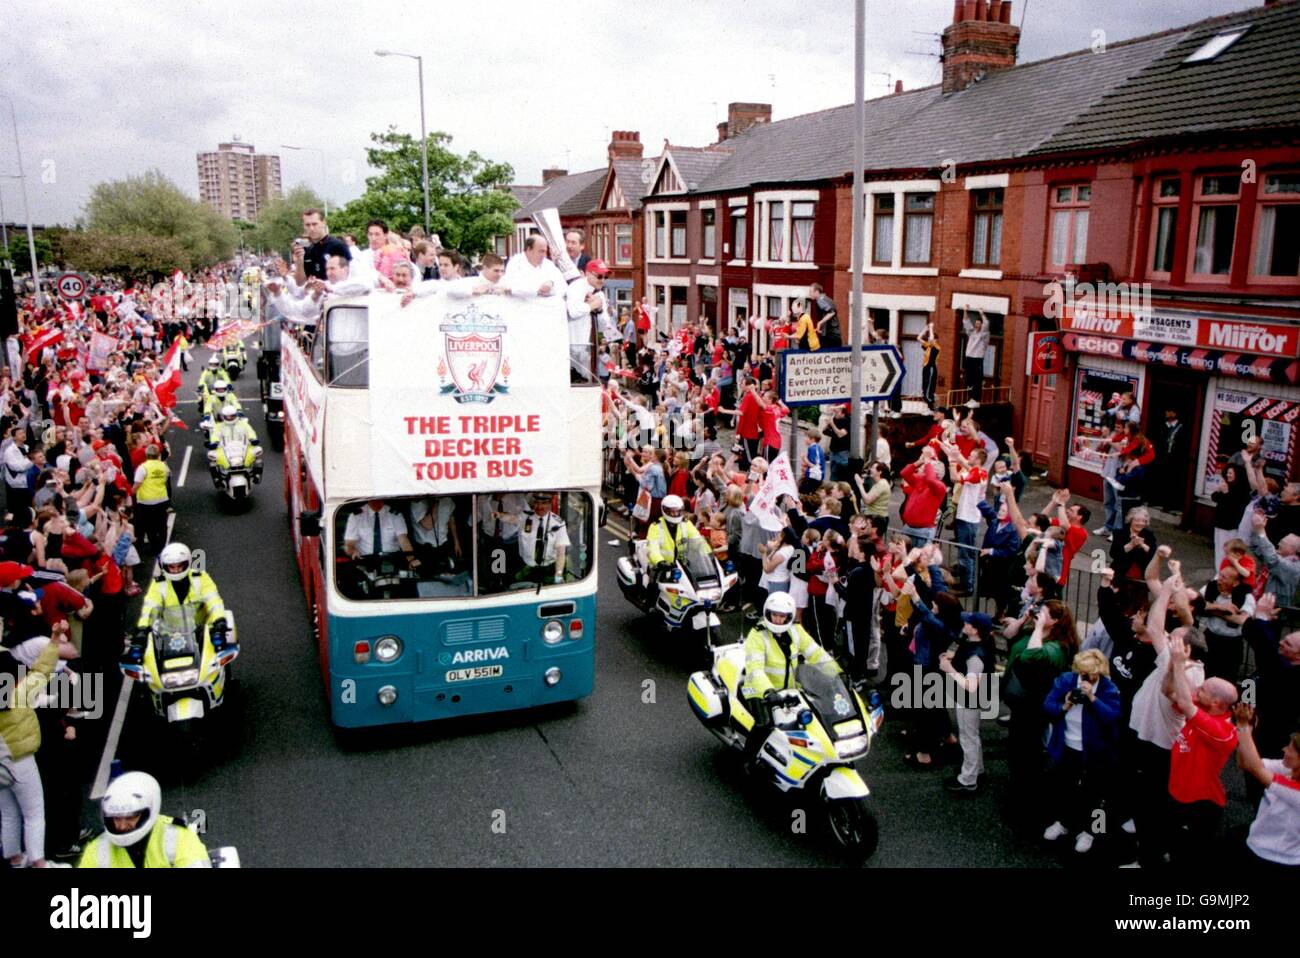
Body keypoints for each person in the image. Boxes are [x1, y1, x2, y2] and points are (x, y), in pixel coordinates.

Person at [739, 592, 840, 772]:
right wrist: (768, 691)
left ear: (789, 616)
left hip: (790, 688)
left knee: (814, 718)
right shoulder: (757, 634)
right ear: (767, 614)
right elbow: (755, 670)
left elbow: (816, 653)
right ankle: (748, 760)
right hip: (760, 690)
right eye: (774, 615)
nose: (778, 620)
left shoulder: (796, 630)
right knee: (764, 724)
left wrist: (837, 674)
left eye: (782, 616)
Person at [1165, 632, 1240, 864]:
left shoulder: (1220, 729)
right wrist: (1171, 666)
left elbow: (1186, 703)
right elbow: (1168, 692)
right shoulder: (1204, 708)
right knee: (1174, 844)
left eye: (1204, 690)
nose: (1198, 690)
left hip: (1200, 802)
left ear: (1217, 702)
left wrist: (1180, 663)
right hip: (1178, 791)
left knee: (1191, 856)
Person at [1041, 649, 1123, 853]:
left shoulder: (1108, 688)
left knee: (1096, 792)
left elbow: (1112, 716)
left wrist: (1093, 699)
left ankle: (1094, 831)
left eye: (1091, 674)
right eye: (1082, 673)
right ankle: (1063, 822)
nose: (1086, 678)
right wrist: (1066, 704)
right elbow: (1048, 705)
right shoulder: (1066, 681)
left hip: (1098, 752)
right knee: (1065, 786)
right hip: (1069, 746)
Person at [78, 771, 209, 868]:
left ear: (148, 812)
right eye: (116, 818)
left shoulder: (179, 837)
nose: (122, 826)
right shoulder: (96, 848)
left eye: (130, 817)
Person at [129, 542, 229, 659]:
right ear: (164, 566)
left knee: (220, 653)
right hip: (169, 635)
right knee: (145, 663)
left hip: (200, 630)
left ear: (187, 563)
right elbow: (149, 608)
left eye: (179, 565)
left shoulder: (200, 577)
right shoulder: (158, 584)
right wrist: (142, 629)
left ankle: (226, 675)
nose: (176, 570)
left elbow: (213, 600)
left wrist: (219, 620)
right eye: (171, 567)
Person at [1231, 705, 1300, 868]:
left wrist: (1242, 726)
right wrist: (1246, 730)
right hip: (1256, 844)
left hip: (1278, 860)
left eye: (1290, 748)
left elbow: (1256, 769)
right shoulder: (1288, 769)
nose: (1284, 749)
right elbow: (1245, 763)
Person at [941, 611, 997, 793]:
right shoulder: (981, 644)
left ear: (975, 630)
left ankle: (968, 779)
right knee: (972, 735)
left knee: (968, 738)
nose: (964, 623)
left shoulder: (975, 656)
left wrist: (949, 669)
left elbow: (971, 685)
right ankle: (976, 770)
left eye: (968, 623)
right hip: (976, 698)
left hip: (969, 700)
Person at [565, 259, 613, 382]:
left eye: (605, 277)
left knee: (587, 382)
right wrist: (592, 305)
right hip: (572, 347)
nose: (602, 280)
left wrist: (600, 308)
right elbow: (573, 311)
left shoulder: (600, 294)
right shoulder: (577, 287)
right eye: (599, 276)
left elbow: (605, 325)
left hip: (588, 350)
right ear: (588, 274)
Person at [343, 500, 419, 568]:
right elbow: (349, 544)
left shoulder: (395, 515)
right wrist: (353, 551)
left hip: (392, 560)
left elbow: (403, 540)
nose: (376, 500)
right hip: (365, 561)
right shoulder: (356, 516)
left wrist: (411, 560)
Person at [515, 492, 569, 585]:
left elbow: (561, 553)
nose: (539, 507)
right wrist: (499, 515)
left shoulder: (558, 524)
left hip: (548, 568)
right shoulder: (525, 517)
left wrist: (558, 574)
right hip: (526, 566)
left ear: (549, 504)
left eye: (543, 503)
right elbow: (511, 518)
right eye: (536, 503)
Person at [644, 494, 705, 573]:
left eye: (678, 511)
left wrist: (707, 553)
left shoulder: (686, 523)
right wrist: (660, 561)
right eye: (672, 511)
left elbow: (697, 540)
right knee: (653, 585)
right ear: (665, 511)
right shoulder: (655, 526)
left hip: (682, 566)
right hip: (661, 568)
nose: (676, 514)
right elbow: (652, 548)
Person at [292, 208, 350, 286]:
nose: (311, 229)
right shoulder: (306, 250)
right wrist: (299, 263)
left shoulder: (337, 245)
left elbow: (351, 274)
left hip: (338, 294)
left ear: (323, 223)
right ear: (303, 226)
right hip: (317, 296)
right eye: (307, 225)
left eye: (315, 224)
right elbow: (299, 283)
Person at [131, 444, 170, 554]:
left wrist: (131, 493)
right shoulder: (164, 466)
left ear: (147, 455)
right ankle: (162, 546)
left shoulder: (143, 468)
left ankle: (154, 547)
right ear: (158, 454)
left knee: (149, 526)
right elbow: (166, 480)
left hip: (146, 501)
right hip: (162, 499)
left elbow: (137, 484)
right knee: (162, 524)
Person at [961, 313, 989, 405]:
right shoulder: (972, 332)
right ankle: (970, 398)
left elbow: (986, 323)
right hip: (969, 358)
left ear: (981, 325)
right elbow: (966, 321)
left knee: (977, 380)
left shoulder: (984, 334)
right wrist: (965, 310)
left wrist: (981, 313)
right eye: (976, 323)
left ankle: (976, 399)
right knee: (969, 379)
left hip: (977, 358)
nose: (977, 325)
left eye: (979, 324)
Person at [809, 283, 840, 348]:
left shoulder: (820, 300)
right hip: (836, 334)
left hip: (829, 335)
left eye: (811, 292)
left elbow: (831, 312)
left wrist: (820, 323)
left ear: (817, 292)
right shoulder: (827, 299)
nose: (809, 294)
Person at [918, 321, 940, 409]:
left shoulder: (937, 347)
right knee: (924, 387)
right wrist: (925, 329)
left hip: (931, 368)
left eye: (933, 339)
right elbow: (918, 338)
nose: (930, 340)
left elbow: (931, 339)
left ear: (936, 340)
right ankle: (929, 406)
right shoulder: (928, 346)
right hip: (926, 367)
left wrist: (931, 328)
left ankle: (931, 406)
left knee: (929, 388)